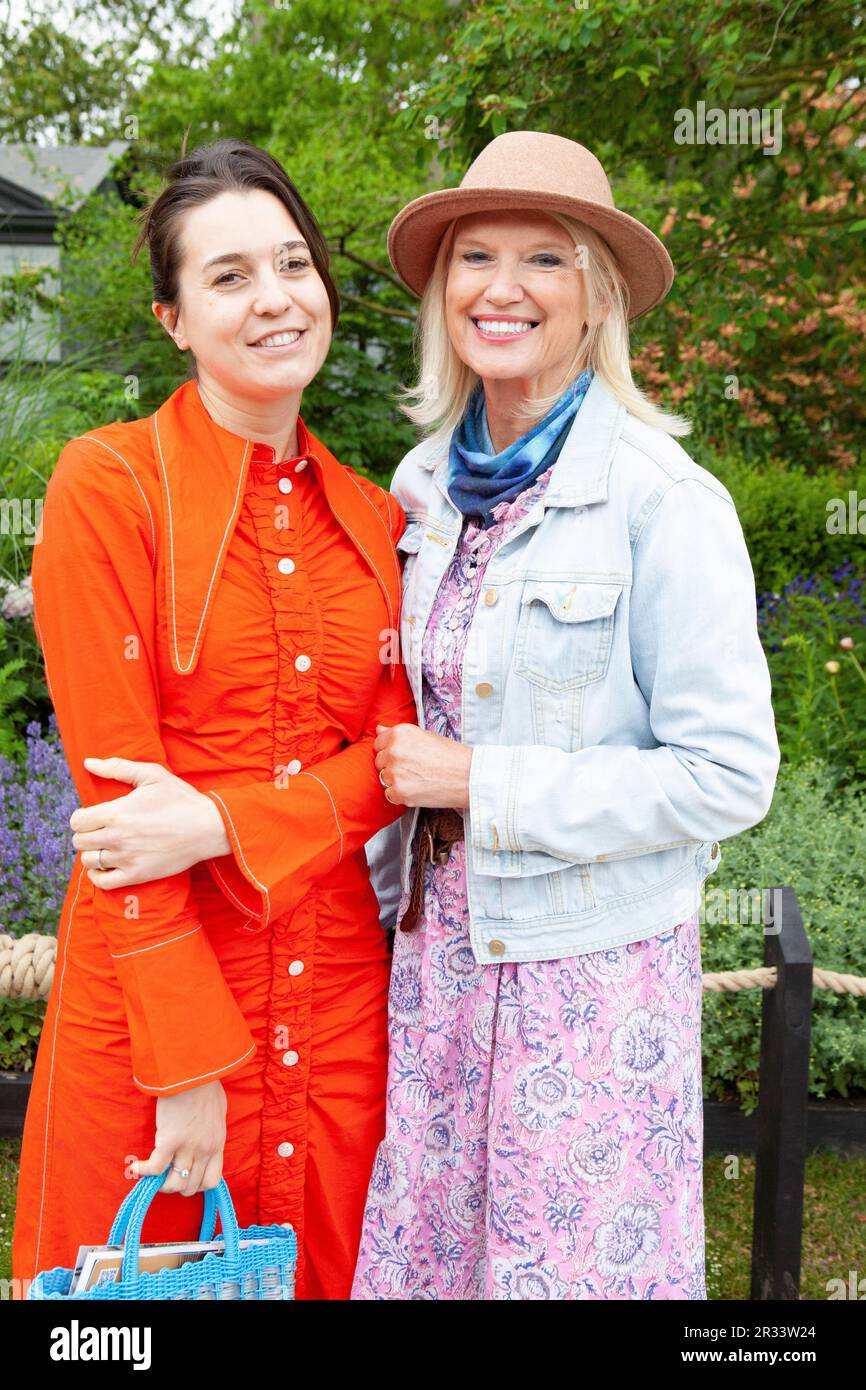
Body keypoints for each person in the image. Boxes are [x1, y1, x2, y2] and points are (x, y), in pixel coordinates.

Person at [350, 130, 781, 1300]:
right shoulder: (421, 487)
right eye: (473, 256)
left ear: (594, 295)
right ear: (442, 294)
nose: (501, 287)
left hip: (583, 987)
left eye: (542, 258)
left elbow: (725, 775)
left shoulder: (662, 501)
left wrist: (477, 780)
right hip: (438, 961)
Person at [12, 137, 420, 1301]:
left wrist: (222, 822)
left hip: (337, 1002)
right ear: (173, 319)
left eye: (292, 262)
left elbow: (389, 763)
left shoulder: (372, 518)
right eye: (228, 276)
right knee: (121, 1309)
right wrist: (187, 1063)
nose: (274, 297)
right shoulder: (108, 486)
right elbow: (119, 805)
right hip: (154, 1004)